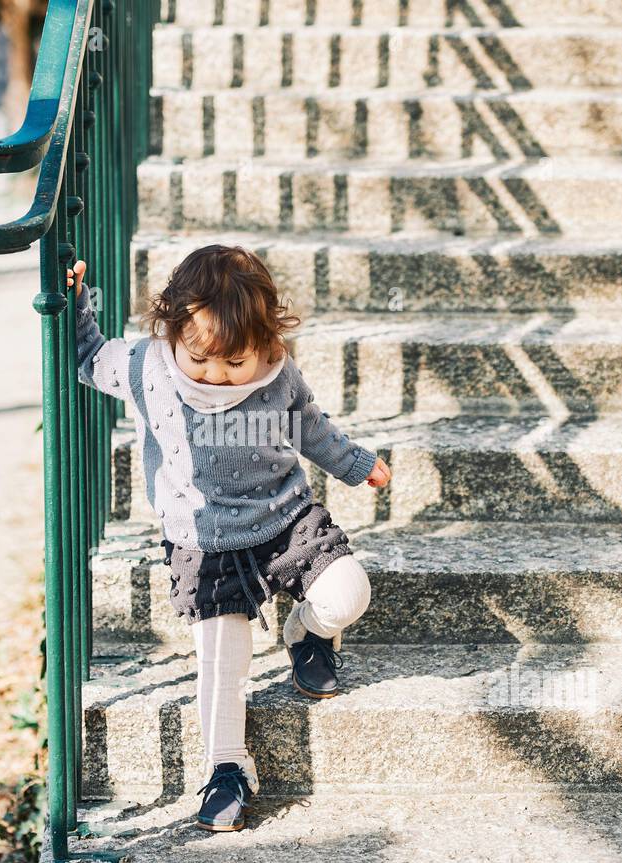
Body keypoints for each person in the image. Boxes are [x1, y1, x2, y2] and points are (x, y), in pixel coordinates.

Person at [69, 245, 392, 832]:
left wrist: (353, 463)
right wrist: (75, 302)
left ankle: (306, 633)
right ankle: (227, 766)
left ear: (267, 343)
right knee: (221, 657)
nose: (217, 375)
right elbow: (89, 358)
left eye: (235, 362)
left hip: (284, 517)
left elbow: (309, 428)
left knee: (348, 595)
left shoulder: (277, 375)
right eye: (201, 360)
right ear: (173, 334)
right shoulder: (148, 366)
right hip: (204, 539)